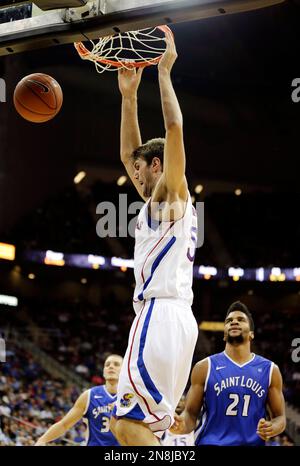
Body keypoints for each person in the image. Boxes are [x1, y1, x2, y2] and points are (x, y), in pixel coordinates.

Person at [111, 29, 199, 446]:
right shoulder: (160, 202)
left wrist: (164, 73)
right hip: (178, 321)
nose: (134, 172)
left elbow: (175, 125)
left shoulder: (170, 191)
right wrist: (129, 97)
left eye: (140, 167)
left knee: (126, 425)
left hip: (159, 316)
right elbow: (130, 153)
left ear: (156, 165)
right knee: (150, 432)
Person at [170, 301, 286, 446]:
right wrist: (182, 425)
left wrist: (272, 427)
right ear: (224, 335)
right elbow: (190, 415)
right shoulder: (204, 367)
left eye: (241, 320)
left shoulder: (270, 370)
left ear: (251, 334)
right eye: (229, 321)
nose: (234, 322)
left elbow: (280, 417)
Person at [35, 354, 123, 446]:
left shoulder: (131, 398)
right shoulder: (89, 395)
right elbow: (64, 424)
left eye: (116, 364)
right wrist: (42, 440)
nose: (111, 366)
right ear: (104, 371)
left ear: (124, 370)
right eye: (107, 365)